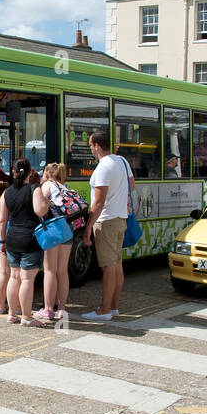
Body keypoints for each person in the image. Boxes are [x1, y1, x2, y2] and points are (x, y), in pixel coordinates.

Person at [81, 132, 132, 321]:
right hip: (120, 218)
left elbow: (99, 202)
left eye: (91, 146)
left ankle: (104, 310)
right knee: (117, 264)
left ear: (96, 145)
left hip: (107, 220)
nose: (90, 149)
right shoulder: (121, 161)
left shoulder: (104, 167)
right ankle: (114, 306)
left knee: (108, 267)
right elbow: (131, 185)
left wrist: (88, 227)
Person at [0, 158, 45, 326]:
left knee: (13, 277)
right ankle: (27, 317)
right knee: (27, 279)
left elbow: (2, 220)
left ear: (13, 173)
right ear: (30, 172)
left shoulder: (8, 193)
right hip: (29, 239)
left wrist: (3, 241)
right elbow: (40, 209)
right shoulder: (34, 189)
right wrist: (47, 202)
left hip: (12, 238)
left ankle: (11, 313)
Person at [35, 162, 77, 321]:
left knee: (50, 270)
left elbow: (40, 207)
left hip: (54, 230)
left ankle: (48, 309)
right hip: (68, 231)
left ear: (47, 174)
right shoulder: (65, 187)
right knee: (62, 270)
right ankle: (62, 308)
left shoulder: (47, 186)